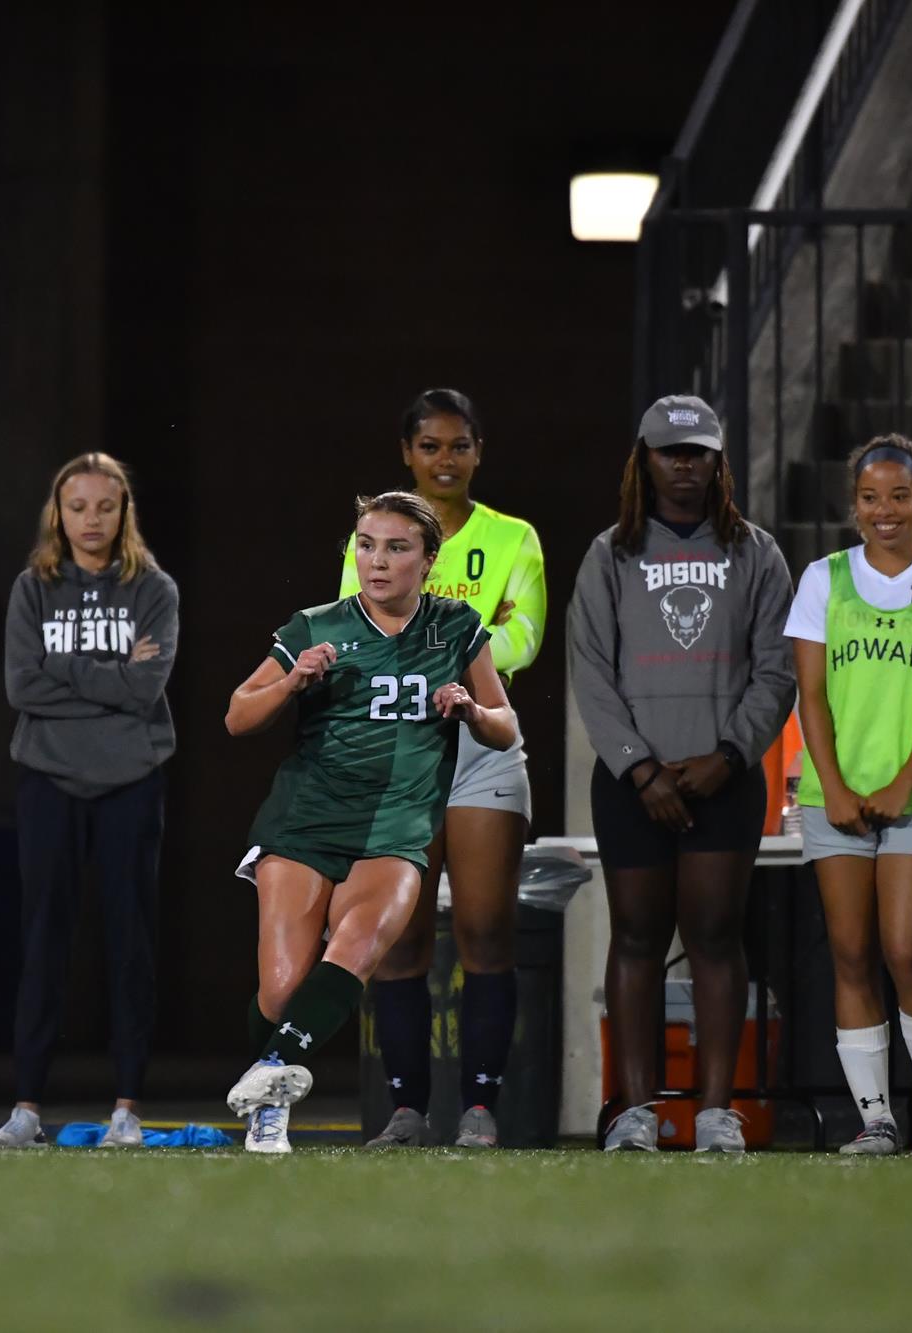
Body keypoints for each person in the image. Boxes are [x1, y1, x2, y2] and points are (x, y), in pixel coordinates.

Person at [223, 491, 518, 1154]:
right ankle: (269, 1085)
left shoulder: (457, 627)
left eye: (396, 548)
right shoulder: (317, 624)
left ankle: (267, 1092)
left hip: (397, 826)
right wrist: (292, 681)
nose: (376, 561)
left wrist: (471, 709)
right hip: (306, 821)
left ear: (428, 559)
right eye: (365, 545)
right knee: (280, 989)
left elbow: (505, 726)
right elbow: (238, 715)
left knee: (356, 950)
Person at [570, 395, 795, 1154]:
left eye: (698, 452)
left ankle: (716, 1111)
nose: (685, 465)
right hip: (635, 781)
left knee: (715, 935)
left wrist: (730, 755)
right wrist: (641, 769)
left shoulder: (758, 553)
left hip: (723, 778)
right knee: (636, 935)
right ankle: (635, 1111)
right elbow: (591, 674)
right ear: (645, 460)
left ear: (718, 461)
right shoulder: (610, 553)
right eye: (671, 452)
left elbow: (776, 670)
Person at [347, 390, 544, 1151]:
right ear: (407, 452)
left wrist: (449, 653)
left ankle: (481, 1112)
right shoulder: (373, 534)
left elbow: (525, 631)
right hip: (399, 748)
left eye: (459, 445)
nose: (444, 459)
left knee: (485, 928)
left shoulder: (513, 536)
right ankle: (407, 1111)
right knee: (397, 938)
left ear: (479, 451)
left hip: (480, 743)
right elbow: (355, 621)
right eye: (429, 445)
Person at [787, 433, 912, 1157]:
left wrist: (903, 782)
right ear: (855, 504)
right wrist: (834, 786)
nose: (885, 511)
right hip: (833, 798)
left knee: (907, 950)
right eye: (871, 497)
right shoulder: (823, 579)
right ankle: (875, 1120)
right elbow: (809, 694)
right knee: (850, 952)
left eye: (899, 496)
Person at [0, 453, 178, 1151]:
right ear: (56, 515)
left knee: (130, 940)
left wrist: (61, 668)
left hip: (133, 778)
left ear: (124, 511)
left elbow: (146, 689)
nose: (91, 520)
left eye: (105, 506)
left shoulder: (153, 589)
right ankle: (26, 1107)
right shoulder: (33, 588)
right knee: (43, 939)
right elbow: (20, 686)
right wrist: (109, 674)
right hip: (48, 778)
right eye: (78, 507)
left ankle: (127, 1107)